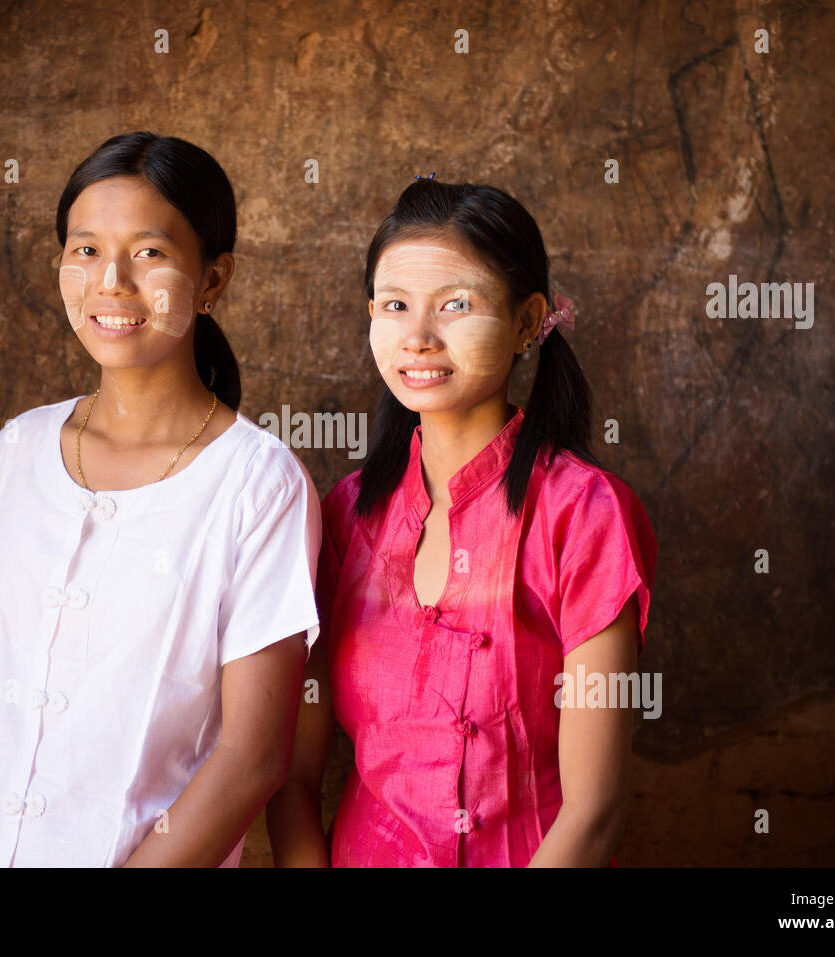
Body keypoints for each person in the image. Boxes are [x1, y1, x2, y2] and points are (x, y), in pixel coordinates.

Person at [0, 132, 321, 867]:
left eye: (150, 252)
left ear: (213, 279)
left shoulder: (259, 484)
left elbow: (251, 759)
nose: (112, 281)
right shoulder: (16, 453)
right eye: (86, 249)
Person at [267, 175, 658, 866]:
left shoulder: (585, 513)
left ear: (525, 320)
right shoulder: (345, 516)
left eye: (455, 304)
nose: (417, 336)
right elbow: (294, 779)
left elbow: (594, 812)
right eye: (394, 305)